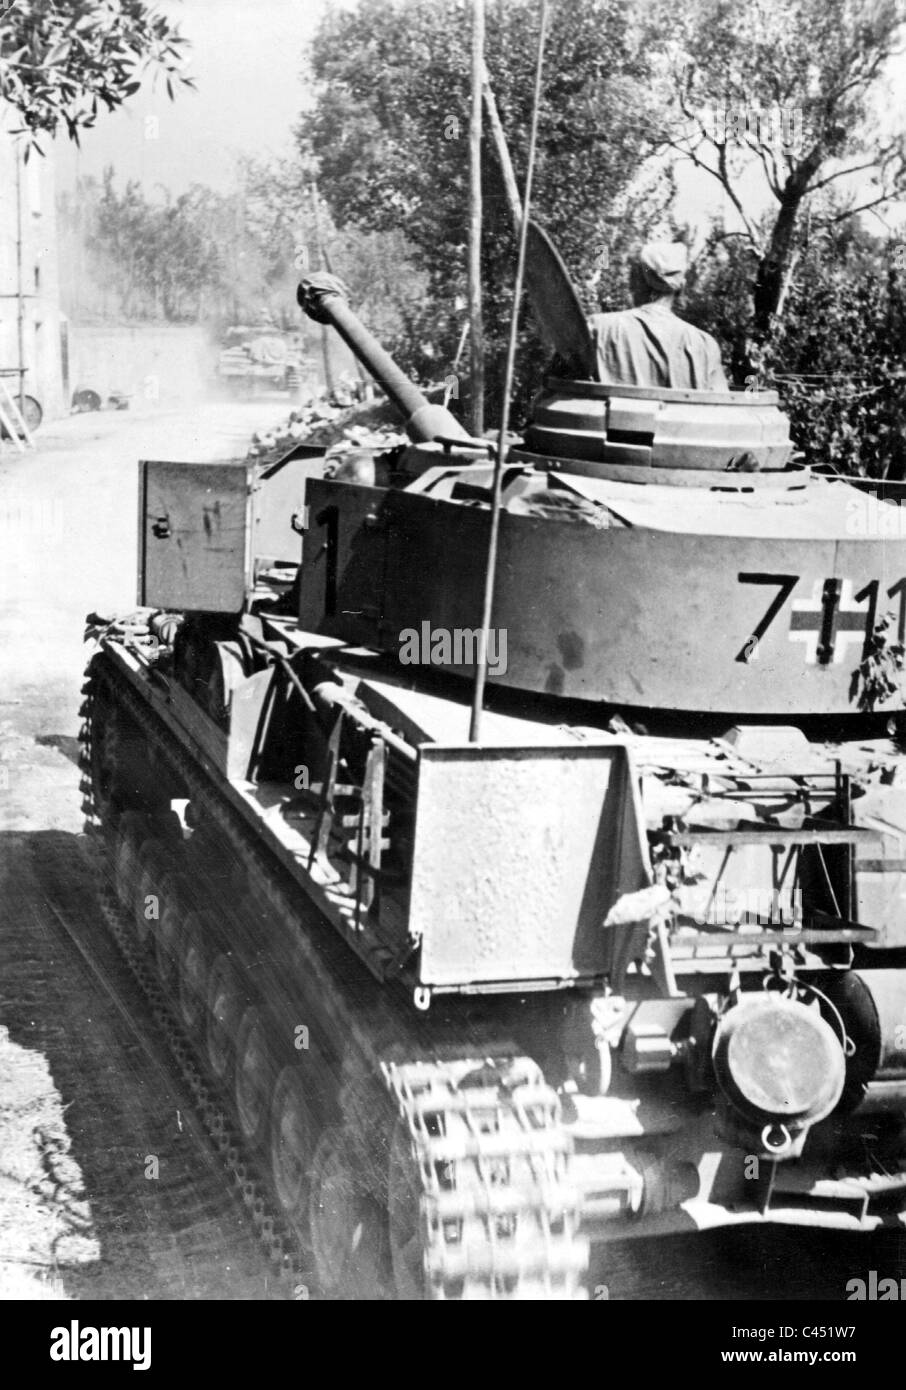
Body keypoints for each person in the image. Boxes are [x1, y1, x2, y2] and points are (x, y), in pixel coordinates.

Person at [589, 243, 729, 391]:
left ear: (636, 279)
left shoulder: (598, 328)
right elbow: (720, 407)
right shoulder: (705, 345)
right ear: (681, 287)